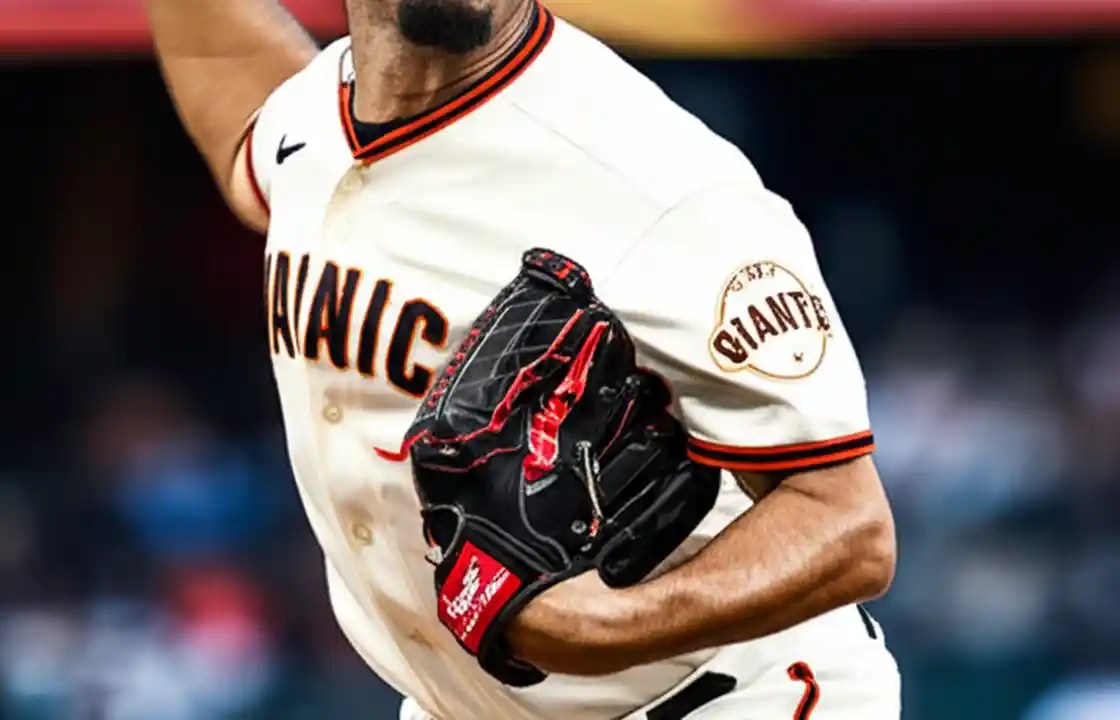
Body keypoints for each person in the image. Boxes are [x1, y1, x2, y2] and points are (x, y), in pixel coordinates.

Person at [145, 1, 902, 717]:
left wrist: (610, 626)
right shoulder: (314, 128)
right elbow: (247, 118)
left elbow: (850, 524)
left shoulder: (658, 182)